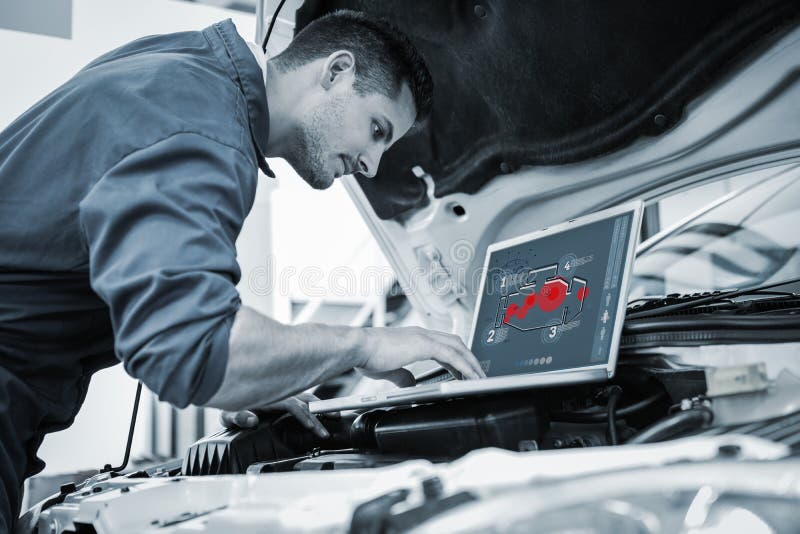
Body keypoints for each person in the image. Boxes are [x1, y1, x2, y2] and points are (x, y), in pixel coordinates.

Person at [0, 10, 485, 530]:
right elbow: (193, 348)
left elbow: (161, 315)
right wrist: (364, 344)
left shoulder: (185, 66)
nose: (371, 165)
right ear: (336, 71)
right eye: (377, 130)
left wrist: (259, 376)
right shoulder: (201, 123)